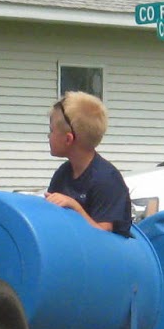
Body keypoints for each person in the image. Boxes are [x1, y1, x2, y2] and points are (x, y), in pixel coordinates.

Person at [45, 92, 132, 235]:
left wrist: (74, 206)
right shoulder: (63, 173)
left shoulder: (106, 179)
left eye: (51, 130)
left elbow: (104, 236)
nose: (48, 136)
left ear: (68, 139)